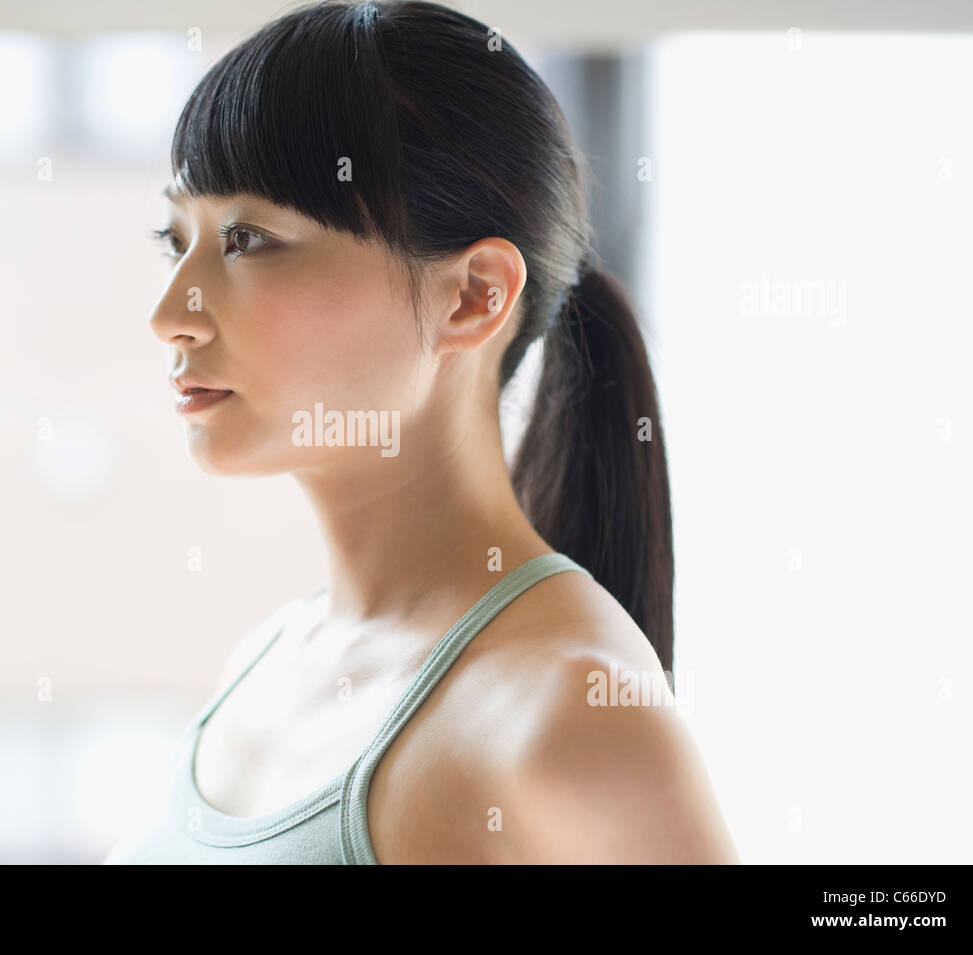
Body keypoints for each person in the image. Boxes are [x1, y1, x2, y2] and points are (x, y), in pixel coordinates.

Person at [104, 0, 739, 864]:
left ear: (474, 294)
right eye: (174, 241)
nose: (167, 314)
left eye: (248, 239)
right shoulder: (267, 659)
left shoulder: (565, 710)